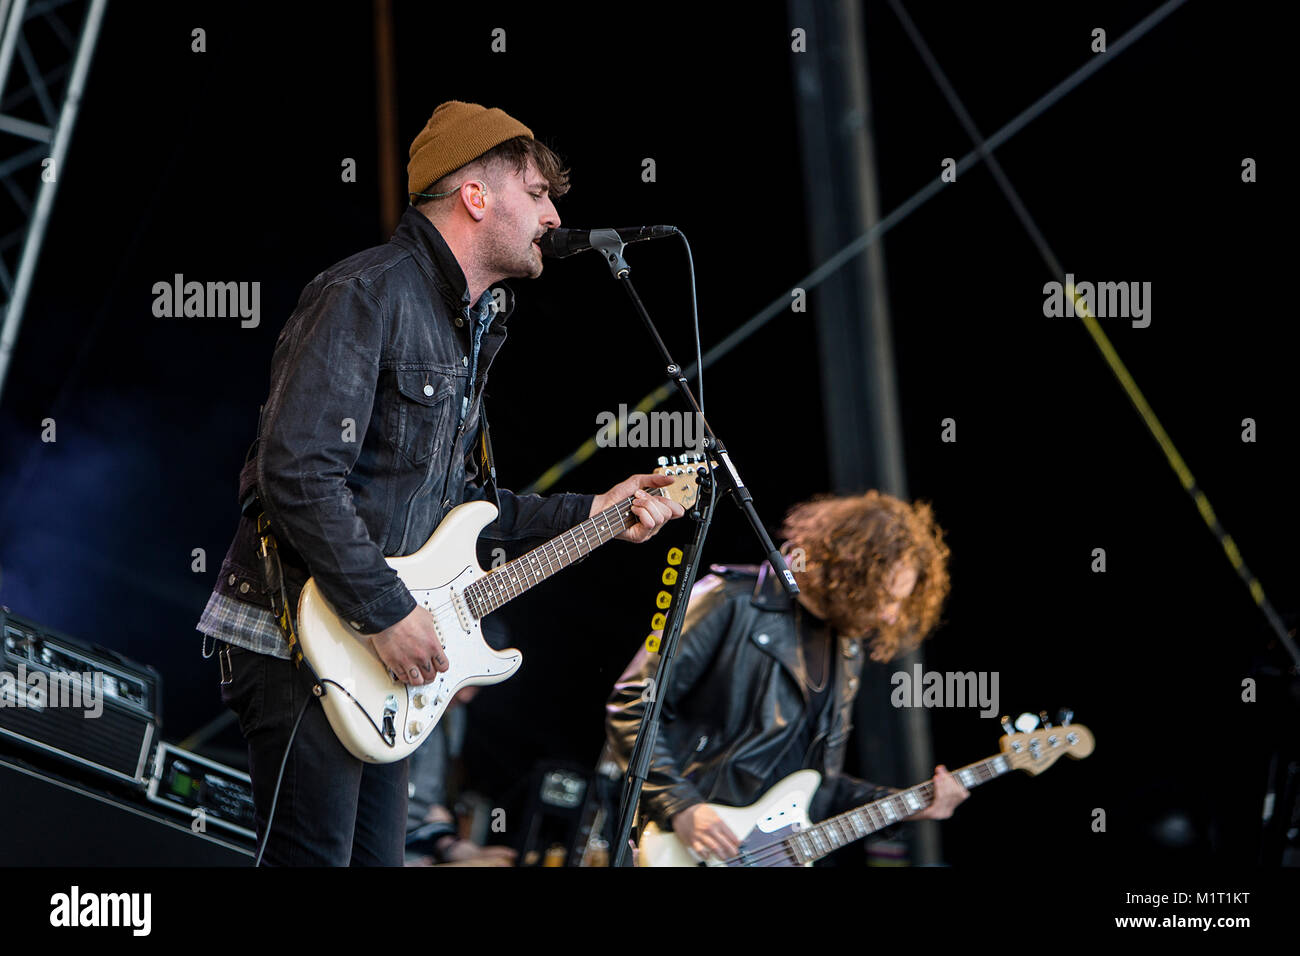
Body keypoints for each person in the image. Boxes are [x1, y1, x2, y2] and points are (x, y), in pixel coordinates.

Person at [196, 100, 683, 866]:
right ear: (476, 195)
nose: (554, 217)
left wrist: (595, 509)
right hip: (306, 636)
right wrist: (386, 612)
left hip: (373, 656)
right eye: (538, 193)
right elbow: (295, 474)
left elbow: (467, 510)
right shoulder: (368, 292)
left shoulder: (468, 327)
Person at [606, 490, 966, 864]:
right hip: (681, 846)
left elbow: (817, 785)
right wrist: (680, 805)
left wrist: (907, 805)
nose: (891, 616)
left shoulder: (847, 651)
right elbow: (634, 704)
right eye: (887, 597)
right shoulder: (731, 601)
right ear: (850, 570)